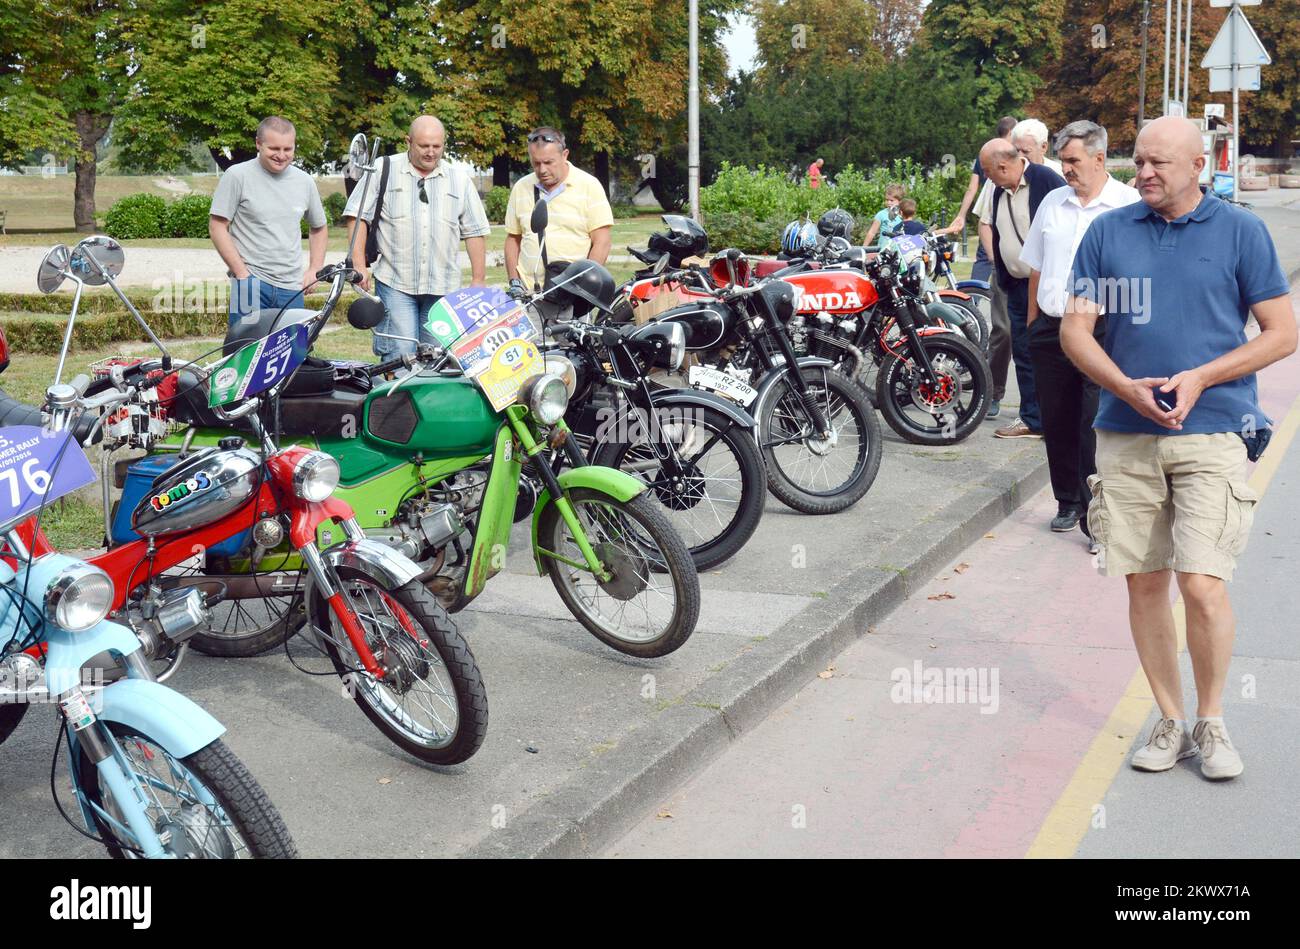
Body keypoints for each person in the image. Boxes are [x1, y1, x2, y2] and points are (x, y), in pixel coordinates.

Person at [1061, 115, 1296, 780]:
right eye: (1139, 162)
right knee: (1144, 583)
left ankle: (1212, 720)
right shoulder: (1108, 232)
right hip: (1127, 432)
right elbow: (1077, 329)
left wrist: (1201, 375)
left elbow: (1282, 333)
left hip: (1216, 426)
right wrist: (1123, 387)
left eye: (1161, 163)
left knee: (1203, 583)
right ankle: (1169, 716)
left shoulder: (1241, 231)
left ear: (1202, 166)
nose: (1146, 174)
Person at [1019, 121, 1139, 545]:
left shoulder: (1128, 204)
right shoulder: (1053, 202)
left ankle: (1097, 514)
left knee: (1093, 421)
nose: (1065, 168)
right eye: (1063, 160)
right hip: (1051, 329)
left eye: (1073, 160)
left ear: (1099, 158)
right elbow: (1035, 264)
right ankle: (1067, 501)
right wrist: (1034, 321)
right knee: (1057, 418)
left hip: (1102, 330)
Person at [343, 115, 490, 359]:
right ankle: (395, 398)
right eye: (424, 146)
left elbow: (474, 232)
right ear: (408, 142)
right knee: (399, 356)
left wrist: (478, 280)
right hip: (396, 283)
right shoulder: (383, 168)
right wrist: (359, 266)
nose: (431, 152)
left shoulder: (459, 179)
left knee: (439, 359)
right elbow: (357, 218)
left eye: (437, 146)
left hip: (444, 286)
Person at [979, 138, 1065, 439]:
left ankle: (1057, 417)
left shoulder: (1046, 180)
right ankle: (1032, 418)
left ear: (1003, 166)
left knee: (1054, 350)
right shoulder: (998, 190)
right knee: (1025, 351)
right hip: (1015, 285)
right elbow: (995, 229)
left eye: (989, 171)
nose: (986, 177)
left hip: (1047, 284)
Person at [209, 116, 327, 329]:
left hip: (292, 287)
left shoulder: (305, 181)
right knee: (244, 352)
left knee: (292, 356)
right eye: (274, 148)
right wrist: (242, 274)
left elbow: (319, 227)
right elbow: (217, 226)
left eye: (288, 149)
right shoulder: (237, 175)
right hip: (250, 284)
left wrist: (314, 269)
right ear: (258, 144)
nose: (281, 156)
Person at [947, 116, 1017, 418]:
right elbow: (974, 191)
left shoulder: (1039, 174)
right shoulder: (989, 164)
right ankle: (993, 392)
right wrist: (963, 216)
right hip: (997, 251)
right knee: (1003, 329)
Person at [504, 127, 613, 293]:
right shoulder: (521, 187)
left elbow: (602, 242)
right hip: (529, 293)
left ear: (565, 155)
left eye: (548, 162)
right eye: (536, 163)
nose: (542, 170)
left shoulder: (589, 186)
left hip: (573, 293)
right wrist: (515, 282)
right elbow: (513, 239)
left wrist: (584, 286)